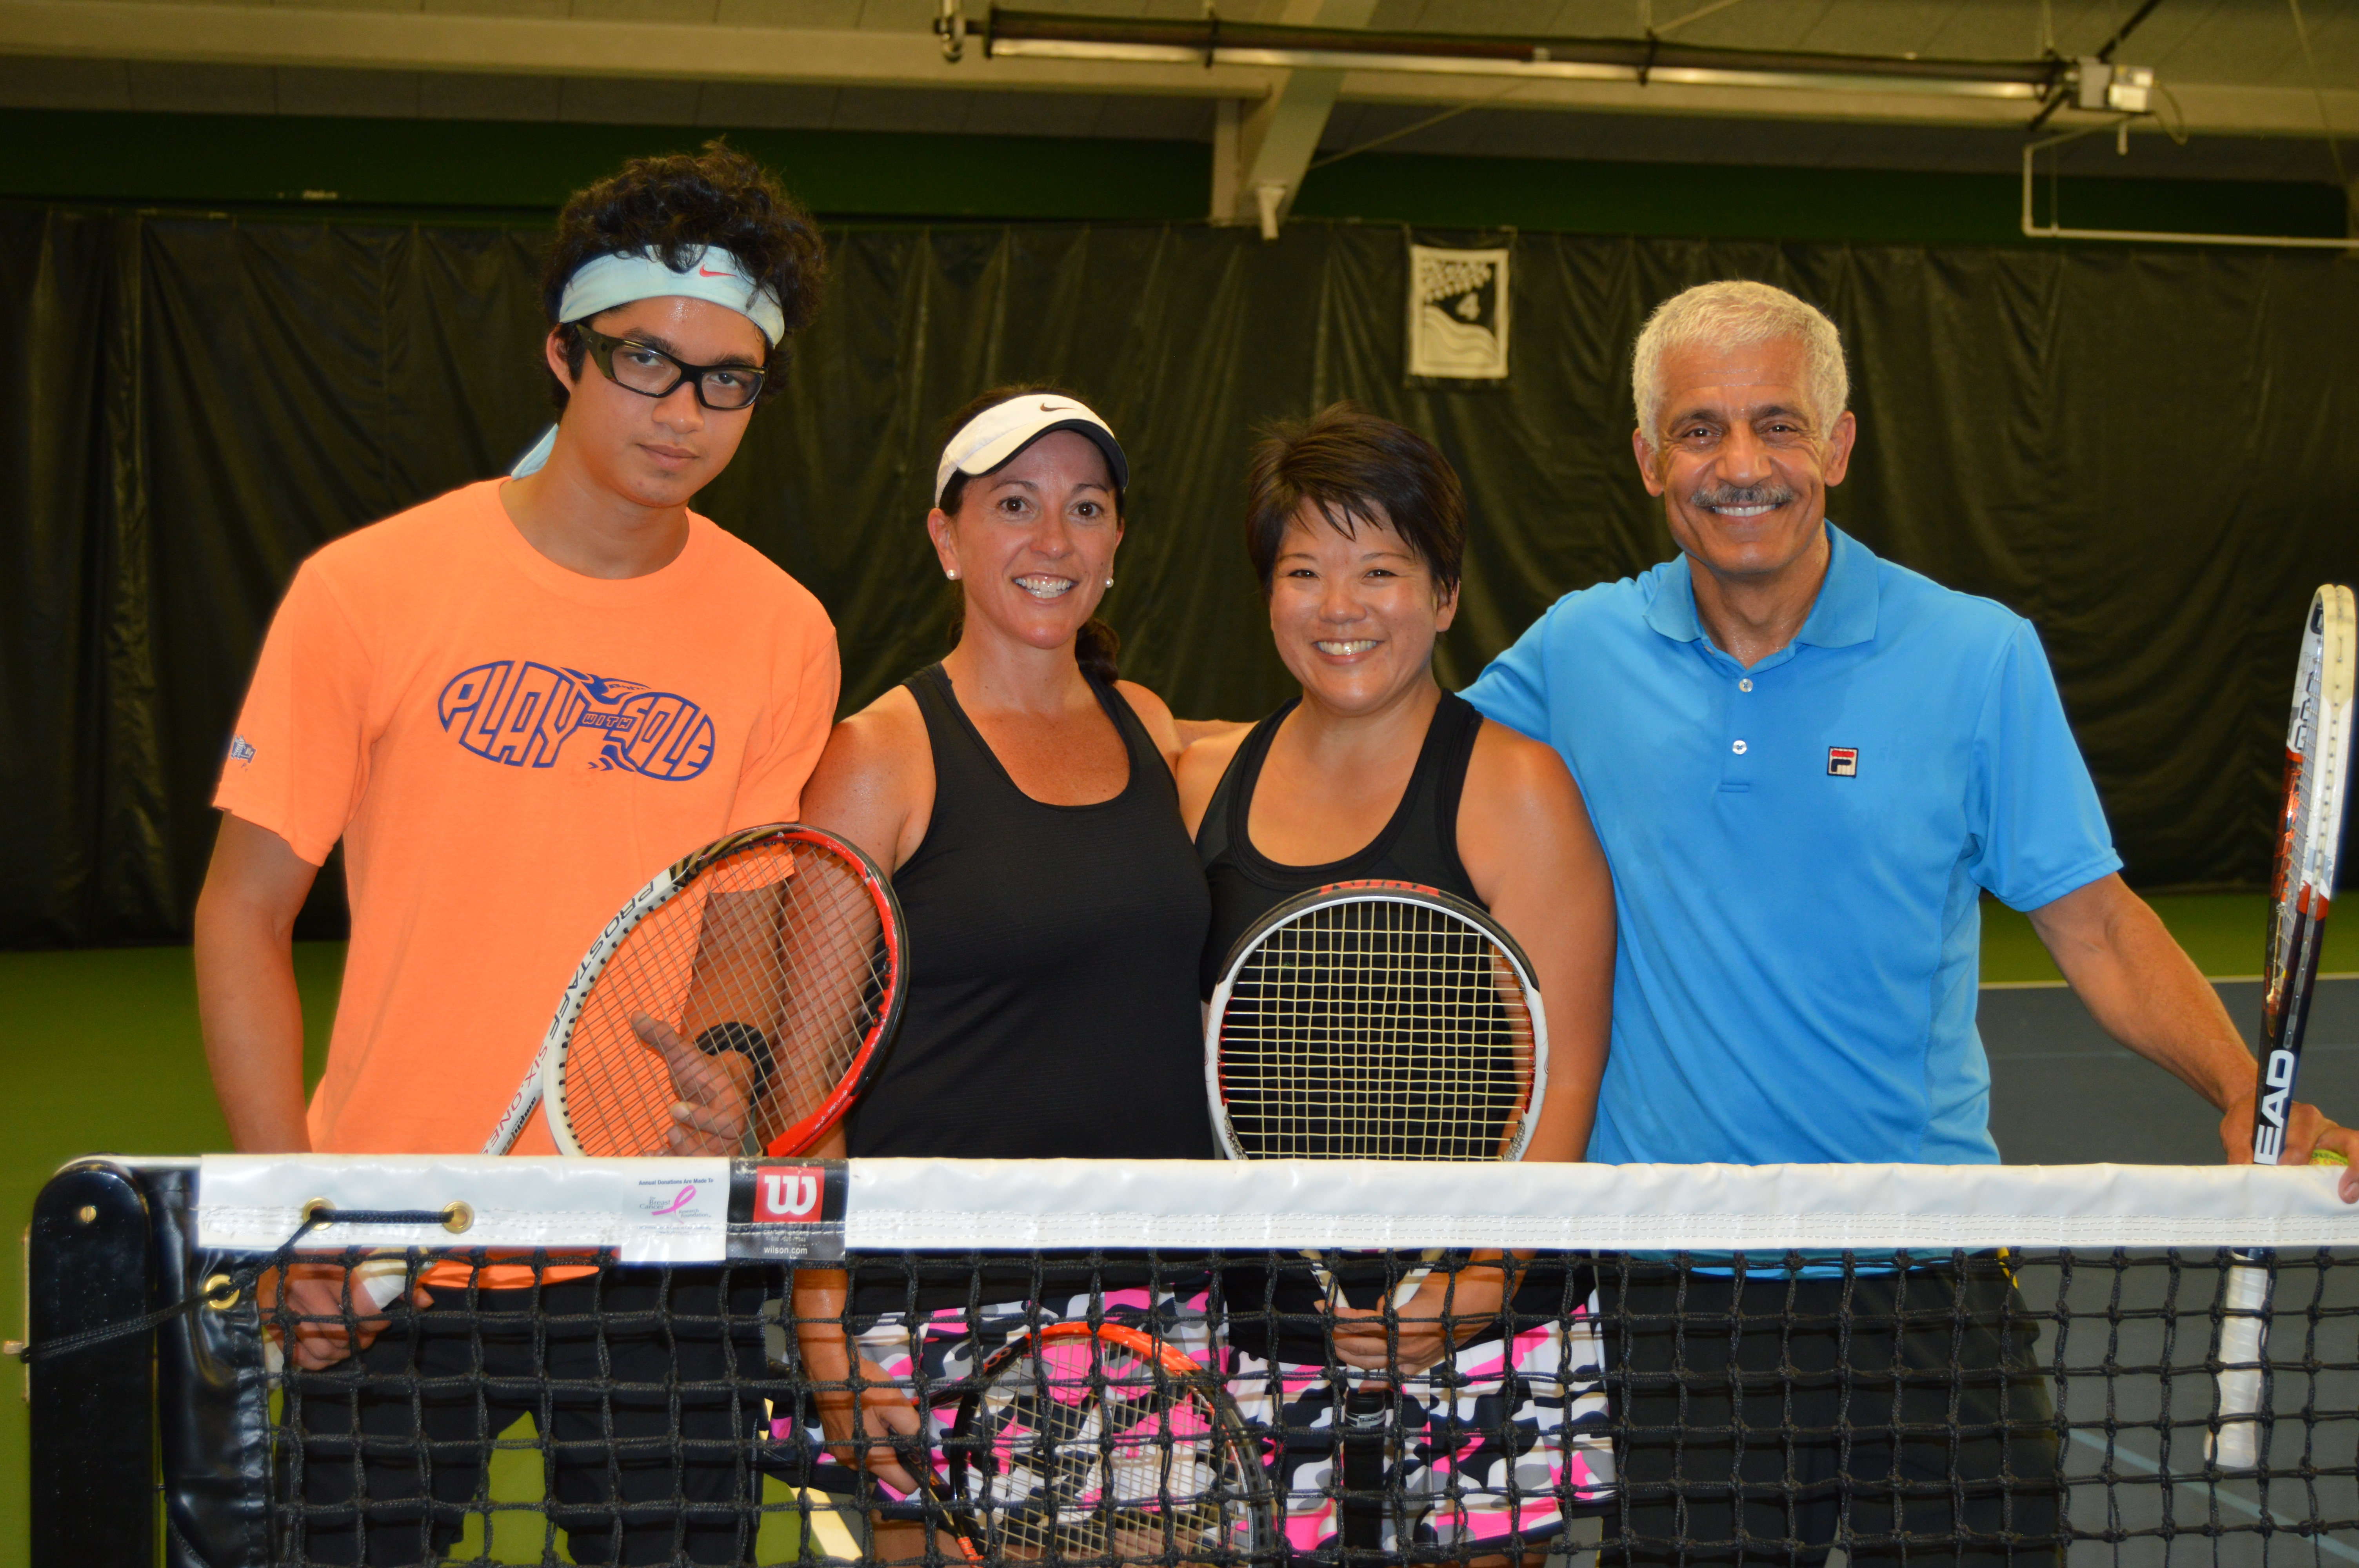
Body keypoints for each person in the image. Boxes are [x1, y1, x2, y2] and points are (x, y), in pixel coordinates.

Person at [1458, 279, 2359, 1566]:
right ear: (1651, 459)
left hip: (1925, 1282)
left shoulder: (1977, 654)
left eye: (1778, 424)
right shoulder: (1574, 654)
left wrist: (2239, 1093)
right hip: (1675, 1293)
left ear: (1838, 444)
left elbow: (2095, 925)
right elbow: (1409, 776)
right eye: (1701, 430)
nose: (1742, 465)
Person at [193, 142, 835, 1565]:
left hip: (654, 1249)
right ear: (565, 354)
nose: (684, 411)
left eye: (727, 378)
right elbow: (241, 914)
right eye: (644, 362)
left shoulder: (784, 630)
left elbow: (741, 913)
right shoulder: (365, 592)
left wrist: (725, 1066)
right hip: (387, 1245)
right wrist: (290, 1210)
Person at [781, 387, 1218, 1564]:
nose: (1053, 539)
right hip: (934, 1306)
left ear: (1117, 542)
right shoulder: (877, 757)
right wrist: (830, 1346)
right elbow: (805, 1093)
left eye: (1085, 508)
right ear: (946, 537)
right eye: (1014, 505)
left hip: (1153, 1295)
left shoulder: (1150, 725)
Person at [1176, 404, 1617, 1564]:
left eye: (1381, 569)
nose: (1341, 607)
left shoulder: (1516, 788)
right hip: (1271, 1321)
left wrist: (1472, 1285)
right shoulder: (1207, 780)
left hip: (1485, 1330)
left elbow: (1561, 1083)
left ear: (1444, 596)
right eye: (1306, 570)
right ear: (1268, 593)